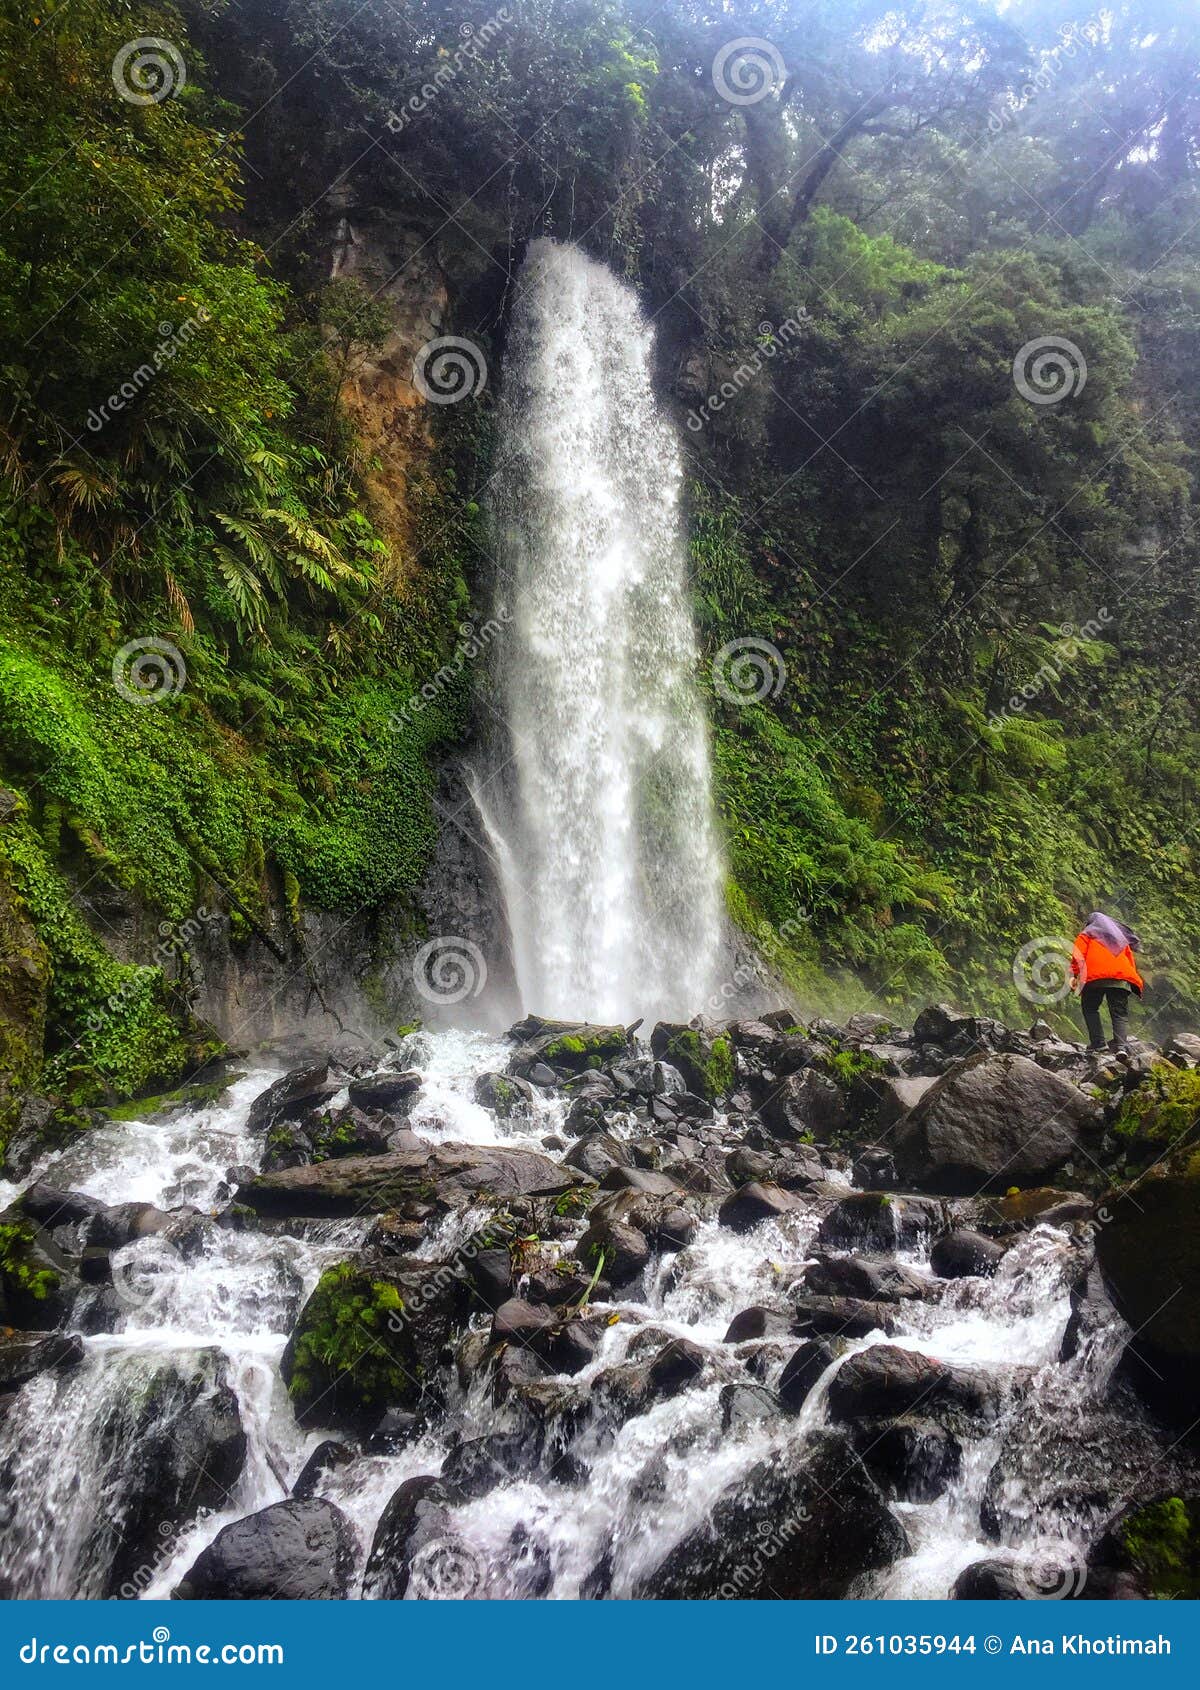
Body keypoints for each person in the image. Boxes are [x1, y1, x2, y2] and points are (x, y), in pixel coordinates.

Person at [1068, 910, 1144, 1053]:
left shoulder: (1087, 934)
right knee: (1119, 1013)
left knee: (1090, 1008)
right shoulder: (1120, 938)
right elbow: (1130, 962)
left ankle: (1098, 1044)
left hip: (1094, 977)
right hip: (1121, 978)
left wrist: (1074, 975)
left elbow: (1078, 957)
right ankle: (1121, 1047)